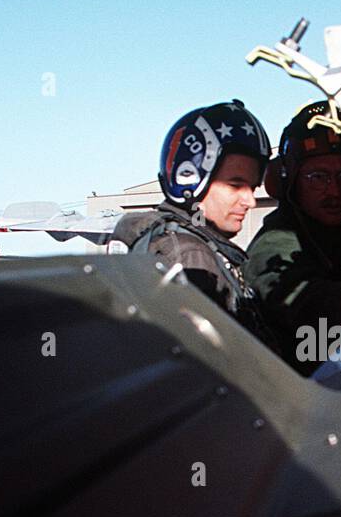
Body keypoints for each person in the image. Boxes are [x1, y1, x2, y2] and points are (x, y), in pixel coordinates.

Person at [112, 100, 274, 341]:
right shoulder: (190, 256)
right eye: (235, 185)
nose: (249, 201)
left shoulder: (166, 240)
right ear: (189, 179)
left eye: (252, 187)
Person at [243, 101, 341, 375]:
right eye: (318, 177)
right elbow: (297, 301)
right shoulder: (274, 242)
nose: (335, 190)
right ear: (287, 180)